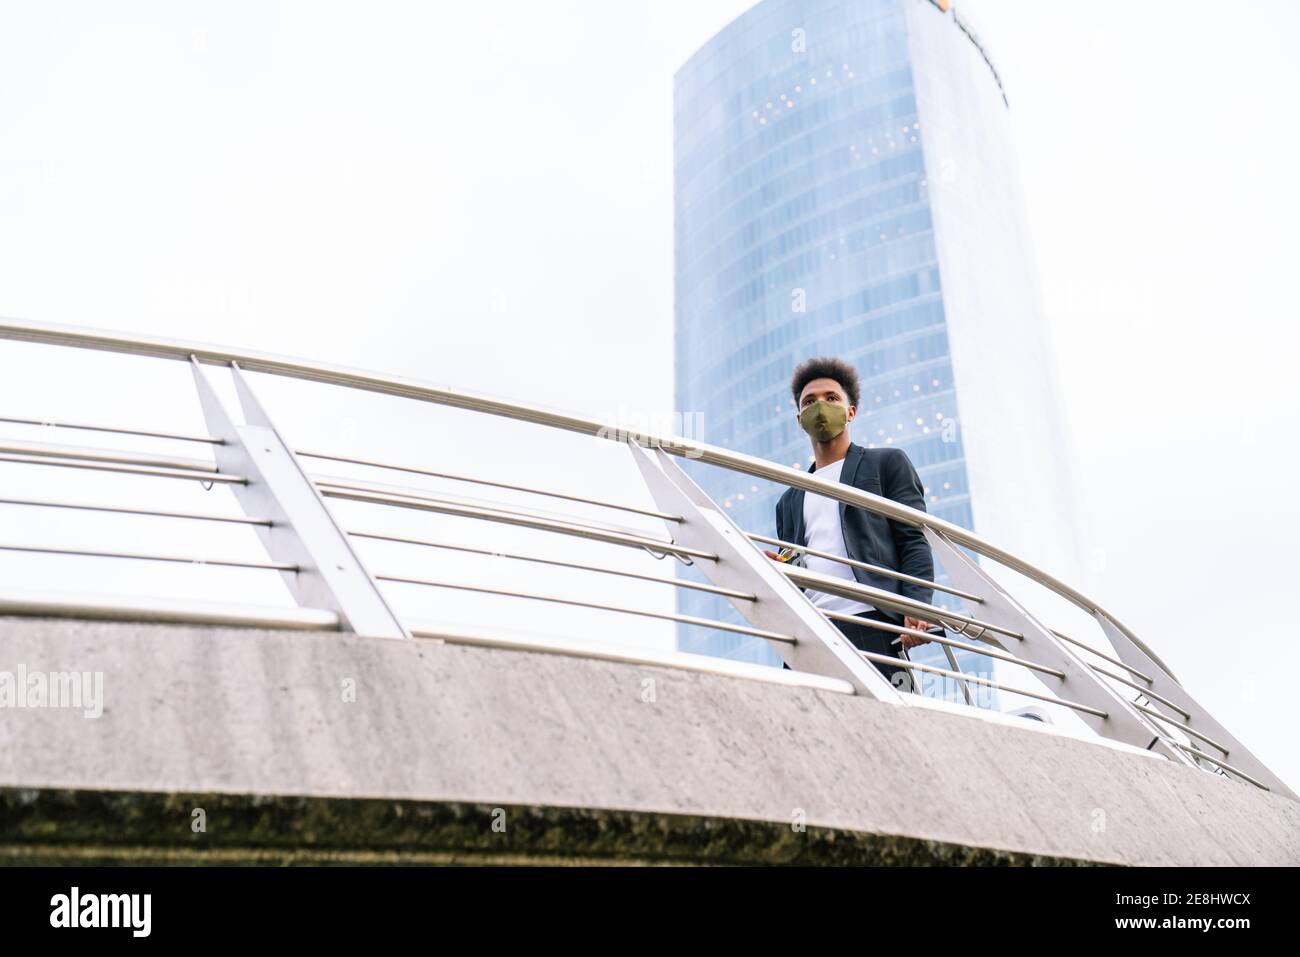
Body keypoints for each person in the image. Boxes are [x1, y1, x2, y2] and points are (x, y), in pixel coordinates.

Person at [768, 357, 936, 689]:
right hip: (810, 631)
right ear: (800, 419)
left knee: (890, 728)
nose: (820, 407)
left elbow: (913, 540)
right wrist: (778, 565)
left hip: (870, 619)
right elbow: (799, 558)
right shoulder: (789, 499)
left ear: (851, 411)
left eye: (831, 398)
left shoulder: (886, 463)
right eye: (809, 402)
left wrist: (916, 605)